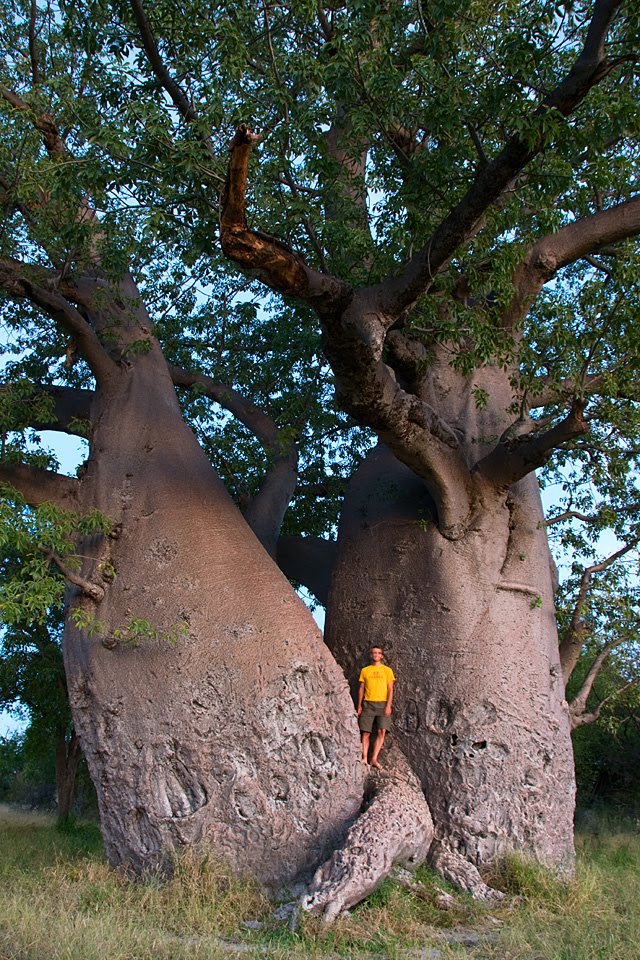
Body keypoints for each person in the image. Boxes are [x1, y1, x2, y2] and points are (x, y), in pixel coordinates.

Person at [357, 646, 395, 769]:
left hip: (383, 703)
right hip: (368, 703)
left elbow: (390, 689)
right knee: (366, 732)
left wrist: (388, 705)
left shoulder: (387, 671)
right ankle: (364, 758)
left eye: (378, 653)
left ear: (382, 656)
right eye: (373, 653)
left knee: (382, 731)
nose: (376, 655)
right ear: (370, 655)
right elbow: (361, 688)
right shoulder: (365, 671)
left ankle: (374, 758)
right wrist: (359, 705)